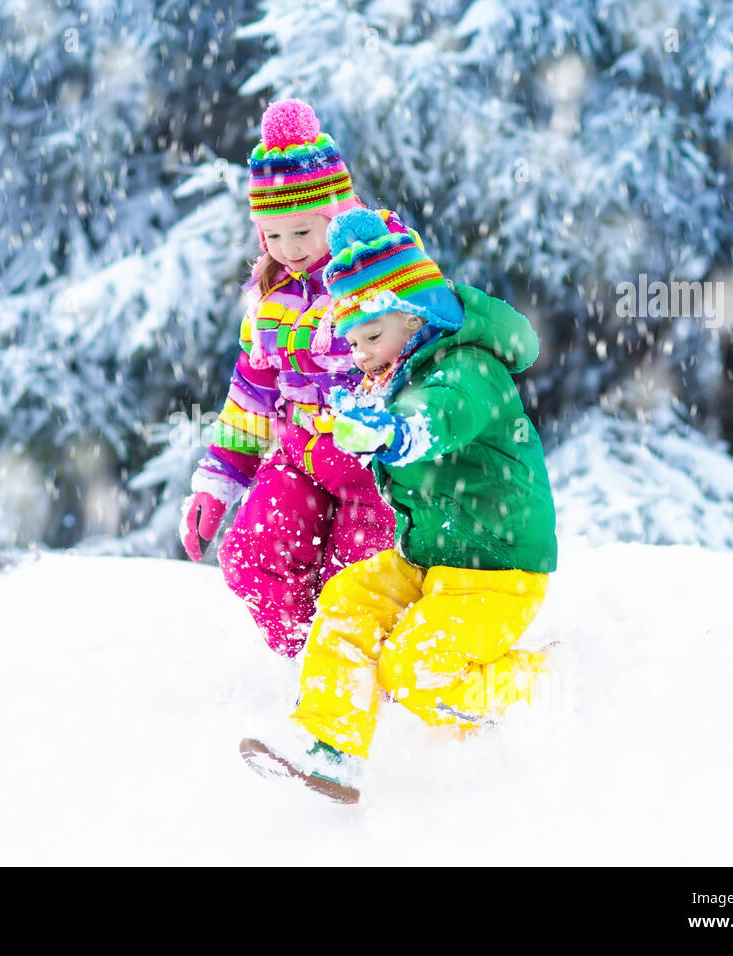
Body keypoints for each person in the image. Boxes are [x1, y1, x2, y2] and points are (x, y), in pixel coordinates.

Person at [240, 208, 558, 803]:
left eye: (370, 337)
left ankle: (537, 684)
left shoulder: (469, 366)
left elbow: (444, 415)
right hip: (428, 559)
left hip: (499, 569)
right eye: (353, 342)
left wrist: (397, 432)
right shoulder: (393, 374)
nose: (359, 354)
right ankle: (333, 750)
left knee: (413, 672)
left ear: (416, 317)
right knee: (345, 600)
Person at [179, 99, 406, 657]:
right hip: (301, 458)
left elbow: (421, 358)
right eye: (272, 237)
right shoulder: (271, 303)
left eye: (302, 231)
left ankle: (372, 676)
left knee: (358, 583)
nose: (290, 249)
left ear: (337, 213)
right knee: (252, 553)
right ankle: (311, 662)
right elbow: (250, 399)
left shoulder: (376, 284)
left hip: (371, 470)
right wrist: (217, 482)